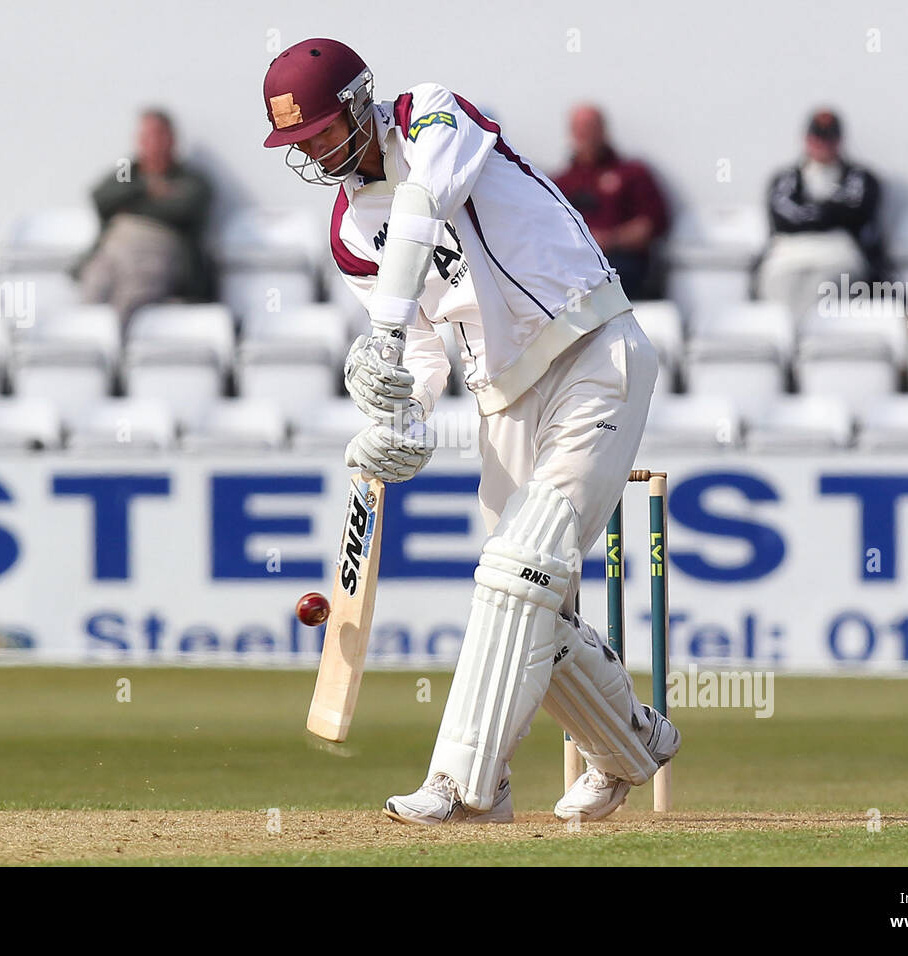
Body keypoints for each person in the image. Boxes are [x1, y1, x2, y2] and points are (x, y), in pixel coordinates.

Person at [262, 38, 679, 825]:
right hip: (501, 397)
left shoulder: (428, 114)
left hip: (593, 349)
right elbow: (419, 357)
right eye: (298, 143)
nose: (315, 153)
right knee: (528, 602)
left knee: (518, 571)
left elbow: (425, 205)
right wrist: (395, 415)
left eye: (319, 129)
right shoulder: (352, 233)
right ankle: (631, 746)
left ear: (359, 103)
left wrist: (379, 334)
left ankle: (464, 789)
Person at [79, 109, 212, 325]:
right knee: (94, 284)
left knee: (130, 297)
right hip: (114, 249)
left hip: (158, 252)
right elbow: (101, 197)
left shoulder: (190, 178)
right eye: (147, 136)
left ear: (172, 139)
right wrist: (147, 188)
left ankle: (117, 353)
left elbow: (184, 208)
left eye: (159, 135)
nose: (153, 142)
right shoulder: (128, 172)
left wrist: (128, 207)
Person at [758, 109, 885, 319]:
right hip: (787, 258)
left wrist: (809, 214)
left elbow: (855, 213)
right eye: (817, 138)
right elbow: (782, 219)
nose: (822, 145)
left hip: (837, 257)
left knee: (818, 299)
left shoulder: (860, 178)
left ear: (839, 141)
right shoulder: (785, 179)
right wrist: (827, 213)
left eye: (828, 139)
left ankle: (811, 347)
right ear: (806, 139)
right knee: (780, 301)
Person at [553, 105, 670, 300]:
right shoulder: (561, 182)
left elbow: (651, 225)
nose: (584, 134)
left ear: (603, 130)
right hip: (574, 267)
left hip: (620, 263)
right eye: (579, 128)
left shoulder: (632, 173)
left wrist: (608, 239)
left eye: (590, 127)